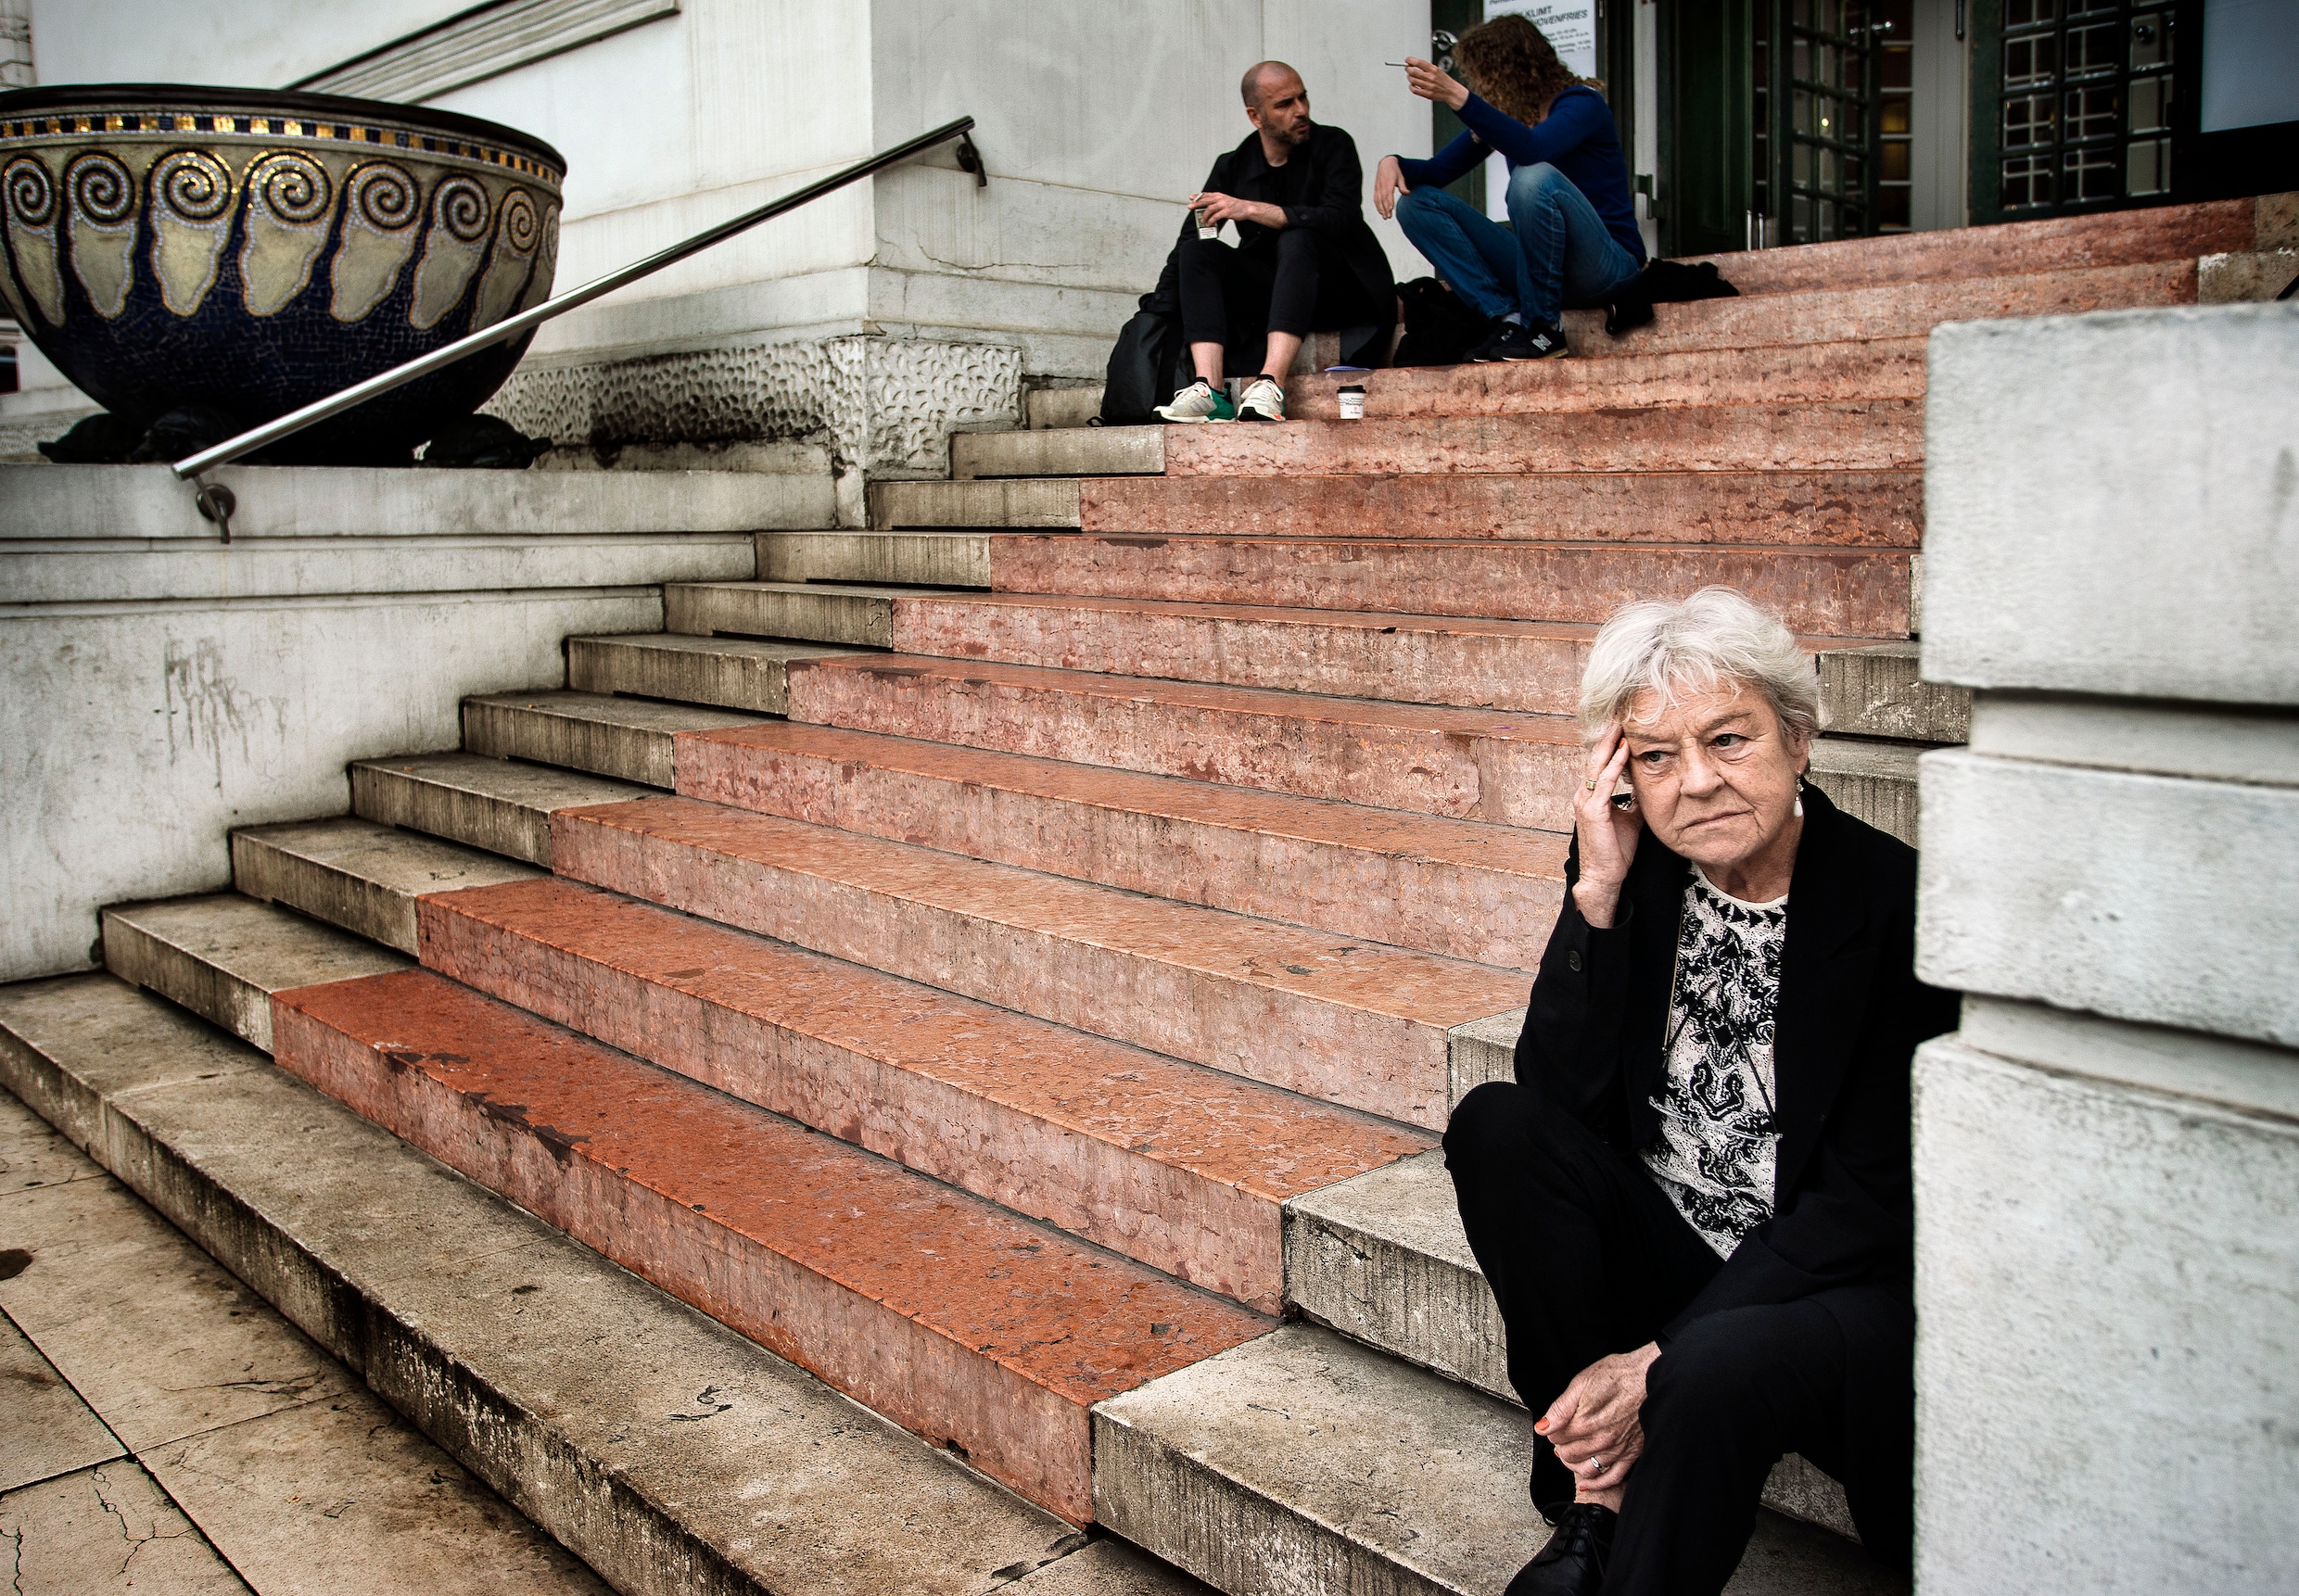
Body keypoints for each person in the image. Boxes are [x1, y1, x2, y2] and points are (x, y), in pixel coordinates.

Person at [1444, 588, 1959, 1595]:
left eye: (1726, 739)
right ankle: (1600, 1497)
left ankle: (1616, 1540)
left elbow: (1863, 1205)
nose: (1697, 784)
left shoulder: (1898, 911)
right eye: (1656, 756)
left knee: (1715, 1363)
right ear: (1618, 774)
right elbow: (1560, 1109)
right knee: (1496, 1128)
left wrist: (1658, 1358)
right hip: (1679, 1242)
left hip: (1822, 1283)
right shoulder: (1636, 874)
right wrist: (1591, 899)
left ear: (1797, 738)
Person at [1375, 16, 1645, 361]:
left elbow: (1533, 150)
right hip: (1542, 274)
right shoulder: (1510, 118)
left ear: (1509, 70)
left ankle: (1545, 329)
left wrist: (1458, 97)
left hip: (1605, 267)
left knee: (1533, 178)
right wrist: (1391, 161)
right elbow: (1437, 171)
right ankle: (1508, 318)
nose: (1478, 84)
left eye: (1482, 75)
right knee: (1417, 205)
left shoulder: (1582, 104)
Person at [1154, 61, 1396, 424]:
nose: (1300, 111)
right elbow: (1189, 241)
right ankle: (1210, 389)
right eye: (1284, 104)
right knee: (1198, 249)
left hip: (1341, 291)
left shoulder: (1334, 144)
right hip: (1275, 296)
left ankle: (1271, 384)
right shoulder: (1233, 165)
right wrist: (1157, 309)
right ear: (1256, 116)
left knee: (1297, 237)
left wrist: (1253, 209)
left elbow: (1341, 219)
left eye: (1303, 98)